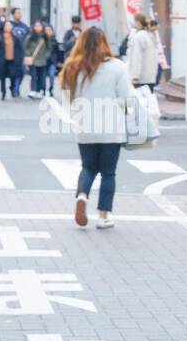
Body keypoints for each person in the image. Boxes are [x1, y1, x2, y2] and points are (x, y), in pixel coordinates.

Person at [60, 26, 135, 231]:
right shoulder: (117, 67)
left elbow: (67, 98)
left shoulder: (72, 67)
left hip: (85, 127)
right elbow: (127, 99)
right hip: (112, 128)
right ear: (104, 43)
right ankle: (103, 216)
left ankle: (82, 196)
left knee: (88, 167)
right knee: (108, 173)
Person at [126, 12, 159, 91]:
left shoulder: (138, 37)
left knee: (140, 101)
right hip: (150, 77)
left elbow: (136, 57)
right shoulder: (149, 36)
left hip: (140, 78)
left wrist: (134, 76)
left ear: (137, 22)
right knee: (148, 101)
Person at [0, 15, 26, 100]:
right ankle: (3, 92)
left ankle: (12, 89)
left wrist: (20, 58)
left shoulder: (15, 37)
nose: (8, 27)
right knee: (3, 77)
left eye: (10, 26)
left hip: (13, 59)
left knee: (14, 75)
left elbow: (20, 48)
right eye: (7, 25)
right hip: (3, 59)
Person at [25, 20, 55, 95]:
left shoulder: (45, 37)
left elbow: (49, 48)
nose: (38, 27)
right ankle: (33, 90)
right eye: (36, 26)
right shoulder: (30, 36)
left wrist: (46, 56)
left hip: (42, 60)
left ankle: (39, 91)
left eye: (39, 26)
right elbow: (25, 47)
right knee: (34, 75)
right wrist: (28, 54)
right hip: (33, 59)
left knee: (41, 76)